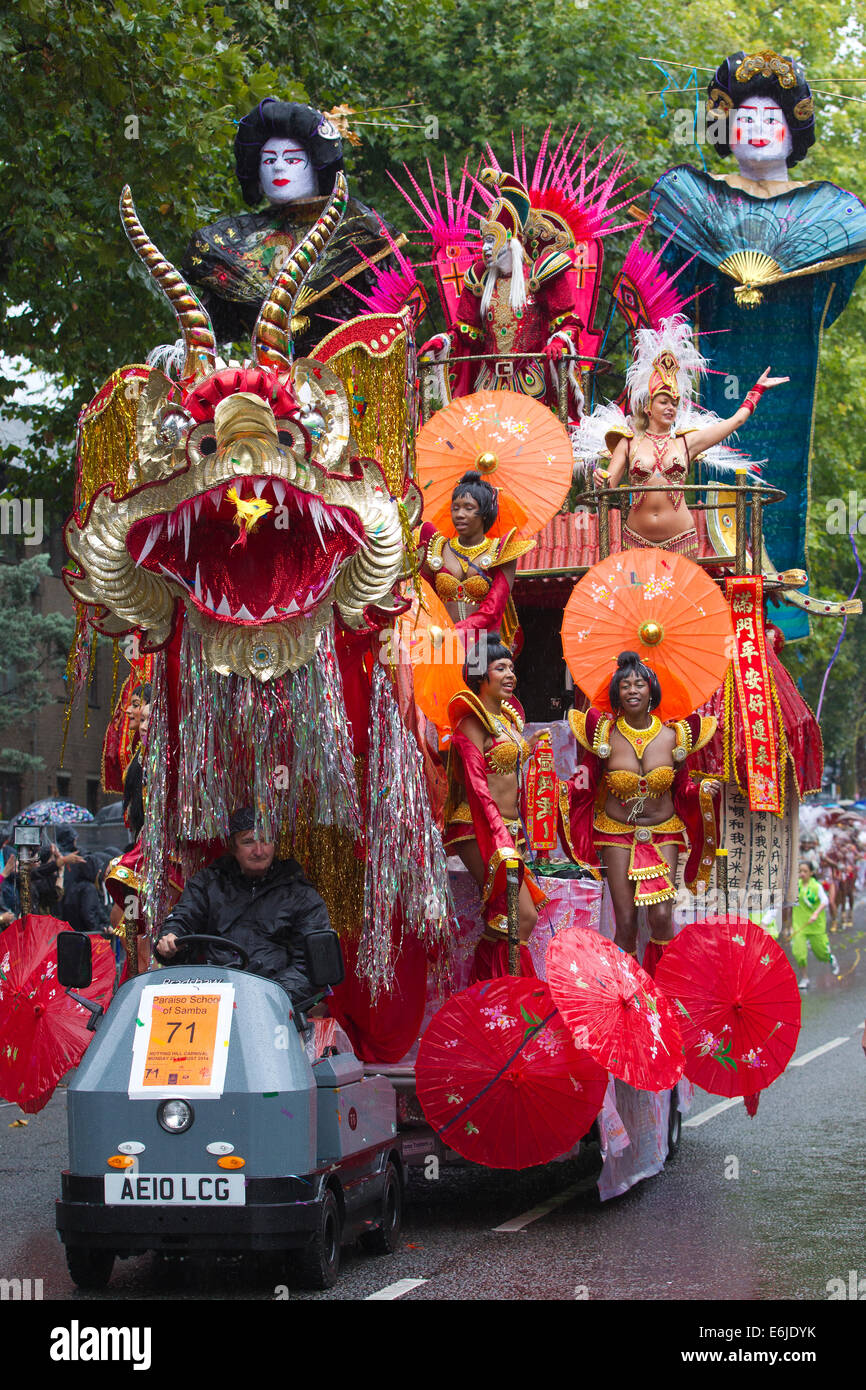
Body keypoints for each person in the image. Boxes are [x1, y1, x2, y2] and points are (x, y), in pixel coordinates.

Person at [650, 50, 866, 635]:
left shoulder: (828, 211)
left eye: (772, 118)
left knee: (778, 475)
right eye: (745, 118)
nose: (759, 129)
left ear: (793, 132)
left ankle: (768, 605)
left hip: (783, 370)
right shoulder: (695, 199)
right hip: (710, 368)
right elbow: (659, 289)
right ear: (725, 128)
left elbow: (833, 293)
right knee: (703, 470)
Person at [181, 98, 399, 358]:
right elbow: (211, 330)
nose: (279, 167)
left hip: (350, 380)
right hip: (266, 386)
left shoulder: (361, 232)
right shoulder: (231, 244)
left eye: (293, 160)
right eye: (269, 161)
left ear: (317, 167)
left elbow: (390, 318)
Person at [562, 651, 719, 974]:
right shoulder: (601, 735)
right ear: (616, 693)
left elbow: (683, 788)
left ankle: (664, 991)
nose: (633, 690)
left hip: (664, 831)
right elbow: (585, 782)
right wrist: (560, 789)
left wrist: (703, 791)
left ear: (652, 691)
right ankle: (628, 1000)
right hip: (616, 832)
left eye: (640, 684)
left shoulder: (675, 736)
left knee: (661, 917)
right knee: (627, 920)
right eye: (625, 685)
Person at [590, 317, 787, 558]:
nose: (670, 407)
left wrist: (756, 391)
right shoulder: (628, 442)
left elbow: (735, 421)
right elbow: (609, 485)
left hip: (680, 540)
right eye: (664, 402)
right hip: (636, 539)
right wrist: (600, 479)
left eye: (675, 403)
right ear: (648, 407)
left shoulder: (686, 442)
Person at [420, 169, 583, 417]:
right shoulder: (480, 280)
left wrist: (560, 340)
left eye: (492, 240)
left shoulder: (539, 276)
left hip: (531, 383)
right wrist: (443, 341)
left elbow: (568, 322)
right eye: (484, 240)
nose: (485, 248)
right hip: (488, 384)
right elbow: (466, 332)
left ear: (511, 242)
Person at [444, 636, 547, 980]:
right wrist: (499, 835)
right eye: (500, 668)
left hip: (507, 829)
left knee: (506, 918)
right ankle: (507, 997)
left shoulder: (507, 719)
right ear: (479, 676)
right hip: (477, 826)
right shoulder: (471, 723)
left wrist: (528, 749)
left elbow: (503, 770)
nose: (510, 674)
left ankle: (487, 993)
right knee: (521, 917)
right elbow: (476, 785)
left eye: (512, 668)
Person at [155, 808, 333, 1007]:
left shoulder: (301, 895)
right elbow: (183, 918)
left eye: (265, 841)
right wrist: (171, 938)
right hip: (210, 1001)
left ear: (275, 845)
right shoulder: (207, 883)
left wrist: (271, 996)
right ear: (233, 847)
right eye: (248, 842)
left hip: (276, 1007)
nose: (259, 851)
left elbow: (308, 966)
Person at [414, 470, 533, 650]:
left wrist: (455, 632)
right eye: (455, 508)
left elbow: (493, 609)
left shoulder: (501, 553)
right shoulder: (435, 547)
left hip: (484, 648)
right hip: (440, 646)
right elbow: (424, 599)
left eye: (469, 508)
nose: (460, 514)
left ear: (485, 513)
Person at [791, 859, 839, 990]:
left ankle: (830, 958)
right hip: (800, 925)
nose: (802, 874)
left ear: (811, 872)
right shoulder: (795, 886)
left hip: (815, 926)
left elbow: (825, 901)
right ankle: (805, 978)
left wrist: (816, 913)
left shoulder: (816, 886)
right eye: (800, 871)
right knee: (799, 953)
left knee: (821, 953)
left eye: (805, 871)